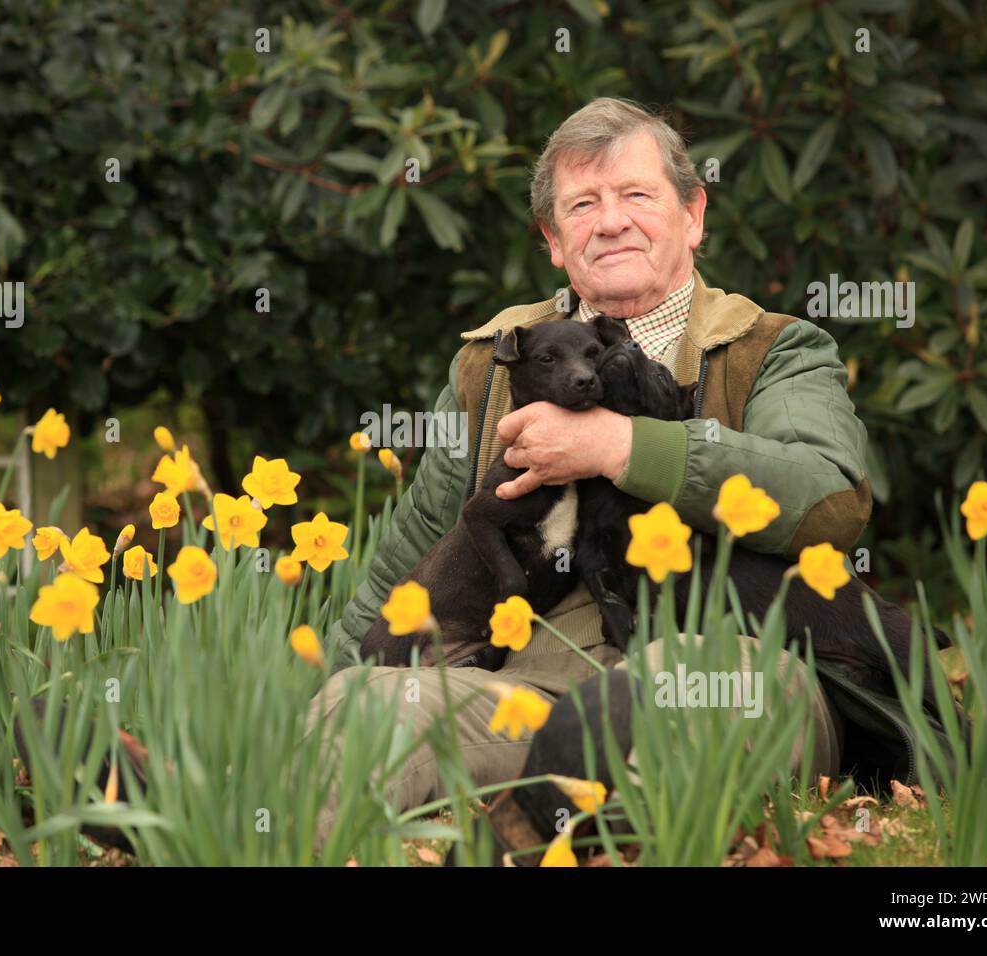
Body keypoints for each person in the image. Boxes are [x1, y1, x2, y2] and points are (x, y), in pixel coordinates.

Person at [310, 97, 876, 853]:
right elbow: (416, 547)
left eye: (636, 195)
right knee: (365, 704)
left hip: (725, 658)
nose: (610, 221)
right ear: (553, 239)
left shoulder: (771, 349)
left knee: (679, 685)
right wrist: (332, 682)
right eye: (583, 204)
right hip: (523, 691)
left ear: (693, 214)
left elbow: (830, 496)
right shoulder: (494, 363)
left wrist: (622, 447)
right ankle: (219, 817)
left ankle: (554, 829)